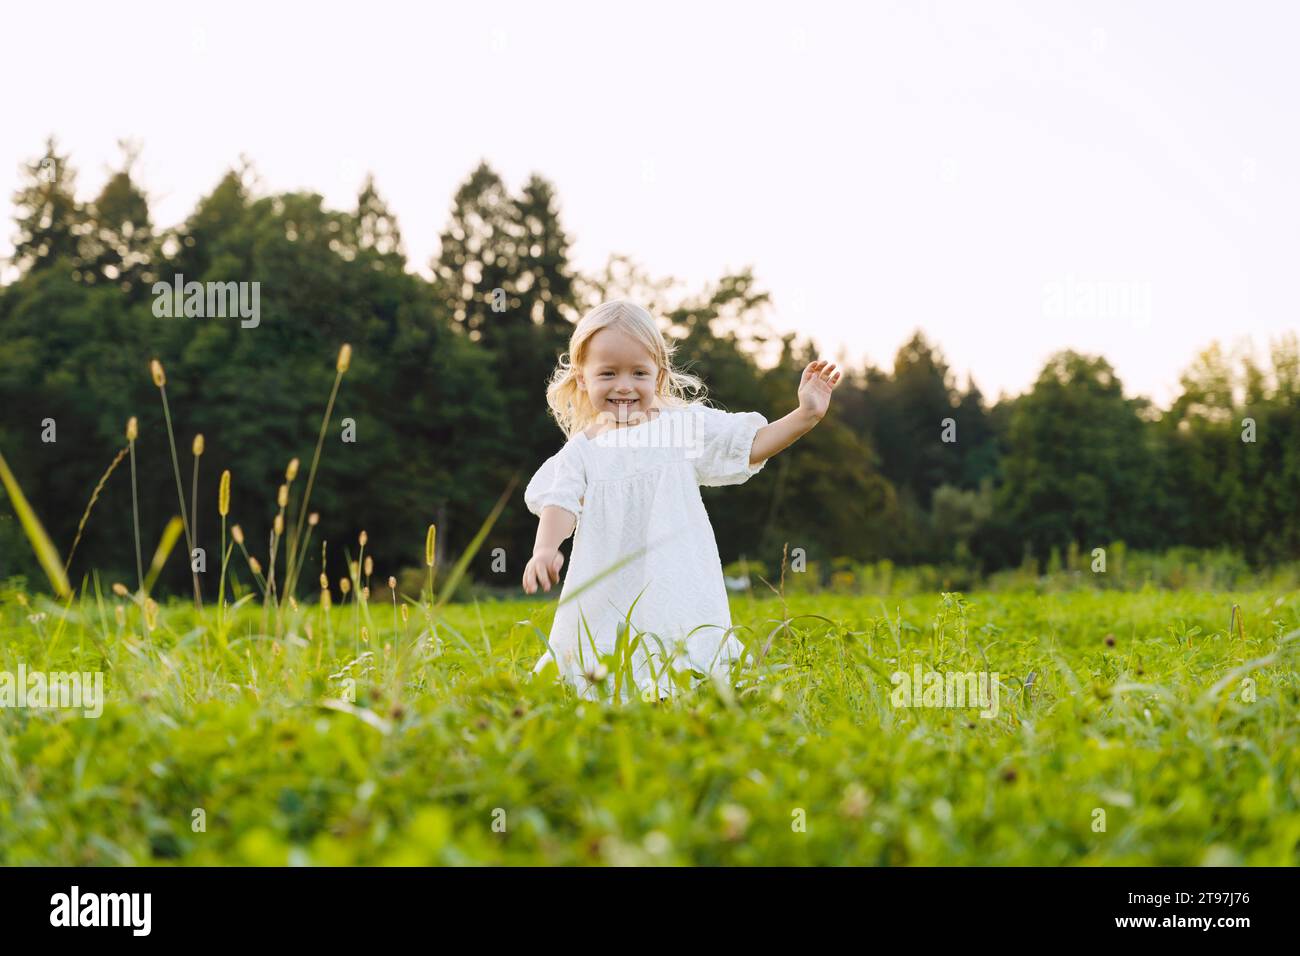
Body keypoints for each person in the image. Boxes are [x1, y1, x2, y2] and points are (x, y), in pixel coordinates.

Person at [522, 300, 840, 702]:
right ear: (583, 380)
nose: (624, 385)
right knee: (597, 649)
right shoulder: (581, 452)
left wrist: (805, 414)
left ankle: (686, 689)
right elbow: (561, 502)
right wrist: (545, 549)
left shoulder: (680, 427)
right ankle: (603, 691)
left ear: (659, 375)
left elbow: (748, 446)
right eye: (608, 374)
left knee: (681, 639)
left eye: (639, 373)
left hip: (676, 573)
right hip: (606, 577)